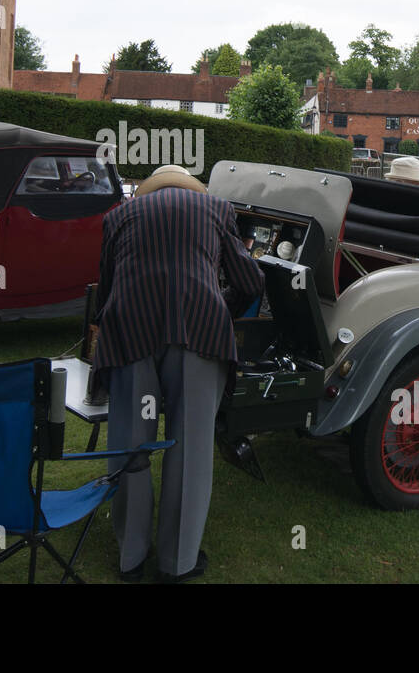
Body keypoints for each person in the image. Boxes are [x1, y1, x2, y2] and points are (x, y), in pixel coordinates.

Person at [94, 164, 263, 582]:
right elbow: (250, 282)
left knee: (130, 445)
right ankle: (178, 562)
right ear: (194, 190)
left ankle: (130, 557)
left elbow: (107, 285)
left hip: (131, 329)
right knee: (190, 449)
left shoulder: (119, 216)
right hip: (198, 331)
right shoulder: (216, 210)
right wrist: (222, 309)